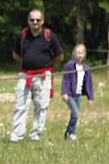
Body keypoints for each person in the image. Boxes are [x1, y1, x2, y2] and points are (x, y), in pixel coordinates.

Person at [9, 8, 63, 143]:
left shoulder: (49, 35)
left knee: (41, 106)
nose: (35, 22)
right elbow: (16, 55)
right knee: (20, 106)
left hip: (44, 76)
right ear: (28, 21)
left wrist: (46, 67)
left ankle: (35, 136)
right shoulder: (22, 35)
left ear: (42, 21)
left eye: (38, 20)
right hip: (25, 75)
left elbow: (59, 56)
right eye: (32, 20)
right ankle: (16, 137)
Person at [60, 43, 94, 141]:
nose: (80, 55)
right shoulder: (69, 66)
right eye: (78, 53)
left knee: (73, 115)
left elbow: (89, 83)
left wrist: (90, 97)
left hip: (78, 95)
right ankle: (72, 133)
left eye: (81, 53)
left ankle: (67, 134)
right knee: (75, 114)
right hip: (69, 95)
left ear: (84, 54)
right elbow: (65, 80)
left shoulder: (85, 68)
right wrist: (64, 93)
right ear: (74, 53)